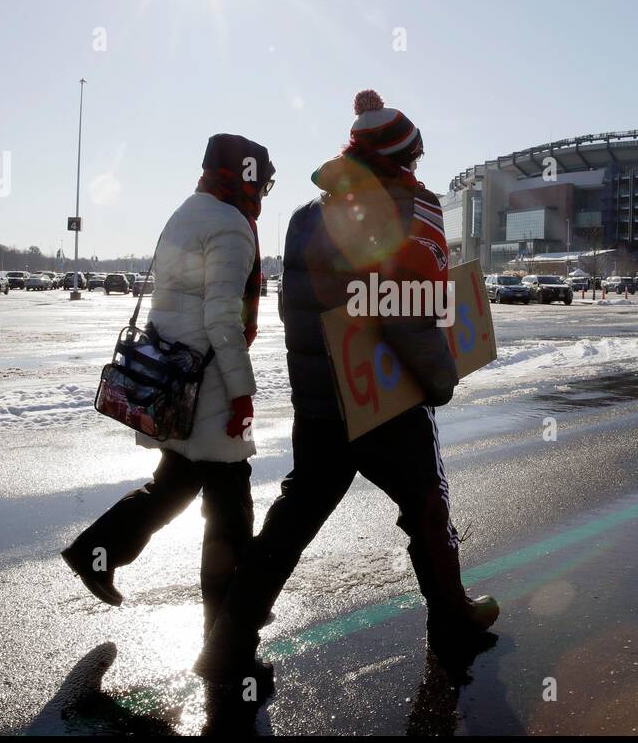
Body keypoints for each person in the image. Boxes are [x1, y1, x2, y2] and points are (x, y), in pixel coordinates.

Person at [194, 90, 498, 685]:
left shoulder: (309, 213)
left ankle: (226, 644)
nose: (417, 168)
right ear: (401, 158)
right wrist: (439, 381)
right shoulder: (399, 208)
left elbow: (297, 306)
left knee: (294, 517)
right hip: (384, 398)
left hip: (322, 401)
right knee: (428, 510)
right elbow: (405, 309)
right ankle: (453, 623)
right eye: (414, 157)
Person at [62, 134, 274, 641]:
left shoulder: (185, 213)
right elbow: (223, 317)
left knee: (175, 484)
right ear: (247, 179)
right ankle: (226, 631)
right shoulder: (231, 227)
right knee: (228, 509)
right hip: (208, 383)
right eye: (262, 182)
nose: (263, 193)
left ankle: (98, 552)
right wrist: (241, 393)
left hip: (172, 383)